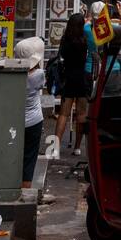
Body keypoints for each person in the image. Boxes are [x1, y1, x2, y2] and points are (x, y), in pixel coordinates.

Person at [53, 13, 89, 160]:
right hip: (81, 78)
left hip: (68, 78)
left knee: (63, 114)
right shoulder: (84, 40)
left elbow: (61, 57)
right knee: (81, 115)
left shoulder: (65, 40)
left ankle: (55, 148)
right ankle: (77, 148)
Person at [15, 36, 45, 193]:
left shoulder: (13, 75)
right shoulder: (38, 74)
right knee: (29, 157)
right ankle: (25, 190)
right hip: (34, 120)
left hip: (15, 121)